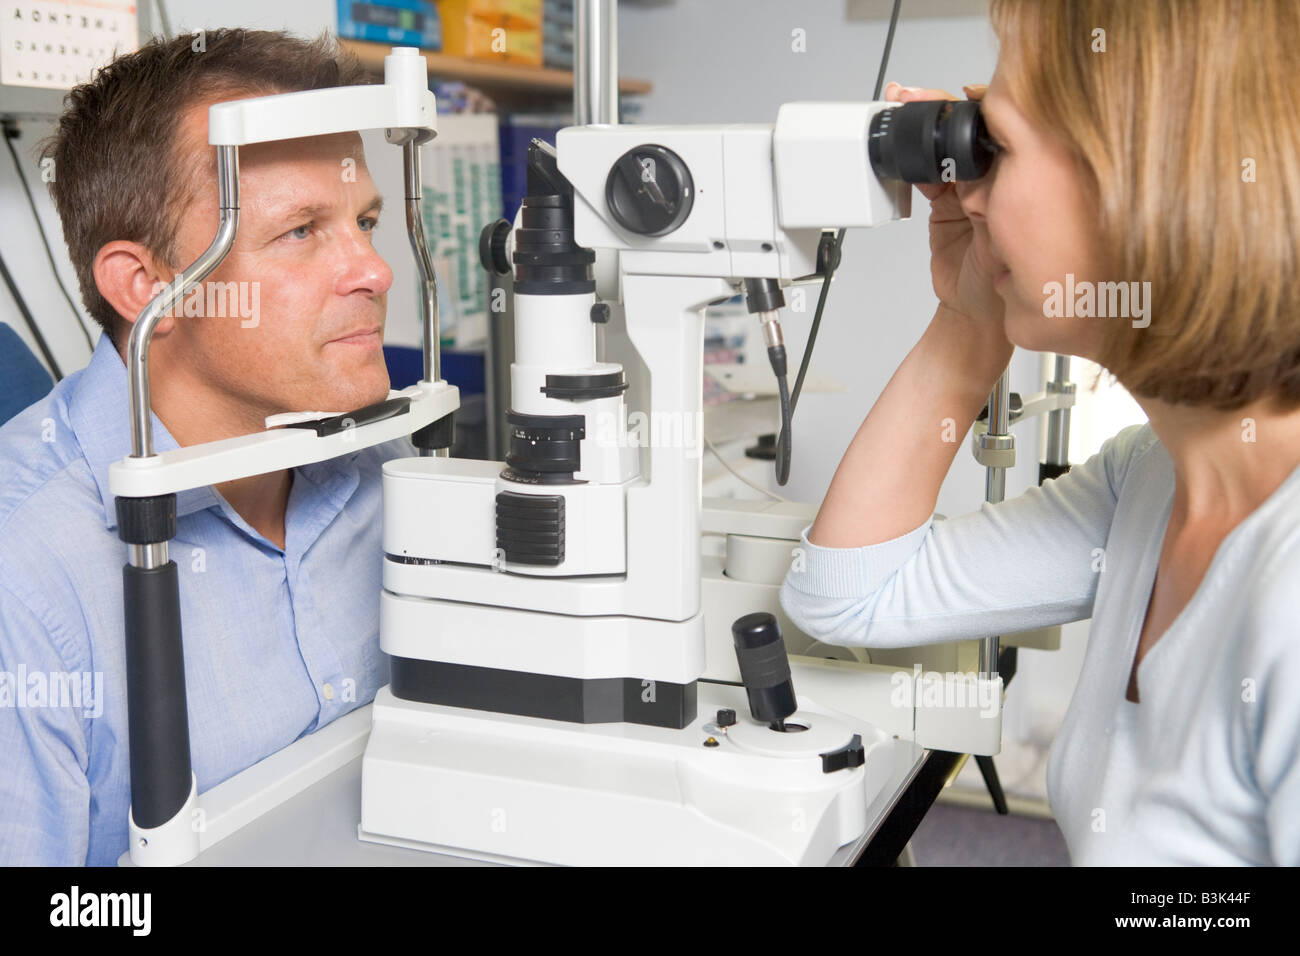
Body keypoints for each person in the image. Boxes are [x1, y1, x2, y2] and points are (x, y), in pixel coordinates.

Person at [781, 0, 1300, 864]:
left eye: (1000, 146)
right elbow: (848, 593)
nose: (968, 191)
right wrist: (969, 321)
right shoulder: (1153, 480)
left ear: (1147, 180)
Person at [0, 29, 418, 864]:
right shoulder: (27, 579)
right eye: (301, 230)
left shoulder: (372, 469)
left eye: (364, 220)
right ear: (148, 287)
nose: (375, 270)